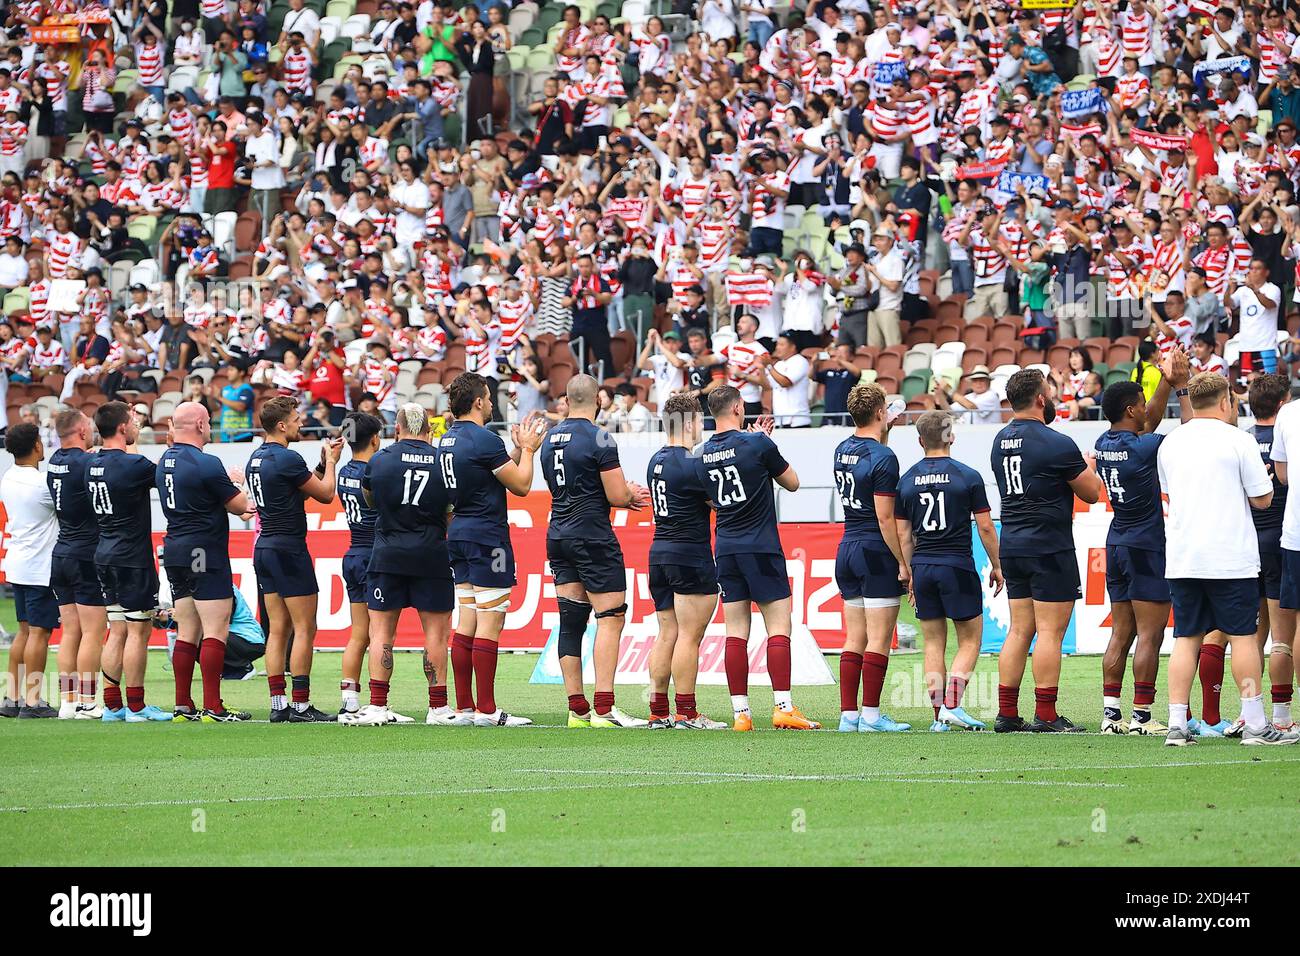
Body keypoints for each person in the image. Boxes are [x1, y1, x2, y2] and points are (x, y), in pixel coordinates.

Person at [1160, 373, 1296, 746]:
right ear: (1224, 402)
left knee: (1186, 638)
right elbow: (1263, 499)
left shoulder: (1171, 442)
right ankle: (1254, 723)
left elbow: (1170, 492)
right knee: (1244, 638)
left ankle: (1176, 725)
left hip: (1184, 556)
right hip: (1229, 557)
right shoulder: (1239, 441)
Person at [990, 369, 1101, 733]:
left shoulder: (998, 439)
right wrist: (1089, 467)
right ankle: (1046, 715)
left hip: (1013, 544)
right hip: (1049, 545)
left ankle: (1007, 714)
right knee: (1050, 633)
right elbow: (1091, 493)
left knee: (1019, 631)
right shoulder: (1057, 442)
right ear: (1040, 398)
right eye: (1049, 390)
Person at [699, 385, 816, 731]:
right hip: (761, 546)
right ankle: (783, 706)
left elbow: (708, 499)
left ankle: (741, 715)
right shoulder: (758, 443)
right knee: (778, 626)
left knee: (735, 631)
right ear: (737, 408)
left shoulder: (702, 453)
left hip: (726, 548)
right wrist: (765, 447)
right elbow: (792, 483)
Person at [541, 374, 649, 728]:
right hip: (592, 535)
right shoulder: (600, 437)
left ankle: (577, 710)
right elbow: (617, 496)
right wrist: (629, 494)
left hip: (558, 533)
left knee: (571, 622)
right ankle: (604, 708)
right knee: (610, 617)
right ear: (598, 402)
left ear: (567, 401)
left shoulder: (549, 439)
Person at [1093, 351, 1190, 737]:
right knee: (1151, 634)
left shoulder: (1104, 441)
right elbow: (1190, 430)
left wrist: (1163, 382)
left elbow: (1147, 420)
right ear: (1131, 409)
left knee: (1121, 633)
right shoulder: (1146, 447)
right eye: (1141, 401)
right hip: (1147, 544)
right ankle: (1143, 718)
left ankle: (1110, 715)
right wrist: (1181, 386)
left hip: (1115, 542)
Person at [440, 373, 545, 727]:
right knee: (491, 620)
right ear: (479, 402)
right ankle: (487, 709)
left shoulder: (447, 439)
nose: (491, 401)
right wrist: (529, 449)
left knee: (466, 620)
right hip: (488, 535)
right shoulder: (485, 439)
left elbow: (489, 472)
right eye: (487, 396)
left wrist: (514, 451)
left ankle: (465, 707)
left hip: (459, 533)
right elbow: (521, 485)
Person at [897, 410, 1004, 733]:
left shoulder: (906, 480)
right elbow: (985, 526)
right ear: (951, 437)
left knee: (933, 643)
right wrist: (998, 565)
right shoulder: (967, 476)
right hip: (956, 564)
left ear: (920, 441)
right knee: (970, 640)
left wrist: (909, 571)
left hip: (924, 565)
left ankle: (938, 715)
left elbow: (903, 534)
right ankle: (953, 706)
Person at [358, 404, 456, 725]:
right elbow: (450, 512)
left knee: (381, 634)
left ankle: (377, 706)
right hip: (431, 555)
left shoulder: (380, 460)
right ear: (429, 429)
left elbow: (369, 499)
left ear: (396, 429)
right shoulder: (442, 462)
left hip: (387, 554)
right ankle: (438, 708)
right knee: (436, 636)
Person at [247, 395, 341, 722]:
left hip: (264, 547)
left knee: (277, 629)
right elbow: (326, 493)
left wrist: (316, 466)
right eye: (298, 419)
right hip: (289, 548)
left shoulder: (256, 458)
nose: (302, 423)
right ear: (282, 425)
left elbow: (297, 489)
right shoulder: (287, 458)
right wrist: (331, 463)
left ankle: (278, 705)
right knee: (304, 628)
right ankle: (301, 705)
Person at [156, 401, 252, 722]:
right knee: (215, 627)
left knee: (187, 629)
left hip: (175, 550)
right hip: (203, 551)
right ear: (199, 425)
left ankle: (183, 705)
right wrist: (236, 481)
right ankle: (214, 706)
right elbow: (242, 507)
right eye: (209, 422)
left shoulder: (164, 461)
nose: (210, 427)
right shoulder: (207, 463)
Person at [644, 392, 727, 730]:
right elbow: (722, 502)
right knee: (689, 637)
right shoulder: (693, 463)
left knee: (667, 634)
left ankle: (658, 710)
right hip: (689, 553)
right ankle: (687, 713)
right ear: (691, 422)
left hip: (659, 552)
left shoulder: (655, 460)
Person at [833, 382, 910, 733]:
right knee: (879, 638)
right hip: (874, 549)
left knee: (854, 637)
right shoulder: (884, 457)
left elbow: (868, 463)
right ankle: (872, 715)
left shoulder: (841, 448)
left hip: (846, 546)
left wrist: (884, 435)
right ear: (881, 412)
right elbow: (883, 517)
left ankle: (849, 715)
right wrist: (903, 561)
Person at [90, 401, 170, 723]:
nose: (138, 424)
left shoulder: (91, 465)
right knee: (139, 631)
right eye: (134, 421)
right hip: (132, 559)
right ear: (123, 428)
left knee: (117, 630)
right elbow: (163, 476)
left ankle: (112, 707)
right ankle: (136, 706)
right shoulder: (135, 467)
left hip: (103, 554)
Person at [1242, 374, 1295, 735]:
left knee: (1250, 636)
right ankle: (1280, 715)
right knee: (1282, 636)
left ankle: (1248, 713)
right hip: (1280, 543)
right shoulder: (1287, 435)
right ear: (1282, 403)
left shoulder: (1242, 440)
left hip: (1246, 542)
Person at [45, 409, 106, 719]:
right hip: (86, 552)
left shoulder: (54, 460)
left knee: (70, 632)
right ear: (82, 431)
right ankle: (88, 702)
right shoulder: (87, 463)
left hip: (61, 552)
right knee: (93, 632)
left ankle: (68, 703)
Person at [0, 423, 59, 718]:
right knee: (39, 632)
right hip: (39, 565)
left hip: (18, 561)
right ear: (36, 446)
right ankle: (34, 701)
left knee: (23, 631)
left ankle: (11, 698)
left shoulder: (7, 476)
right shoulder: (41, 484)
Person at [335, 411, 387, 723]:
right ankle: (379, 701)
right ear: (375, 439)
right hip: (375, 554)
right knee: (380, 632)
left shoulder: (343, 472)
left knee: (359, 632)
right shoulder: (376, 471)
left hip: (352, 552)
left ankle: (349, 699)